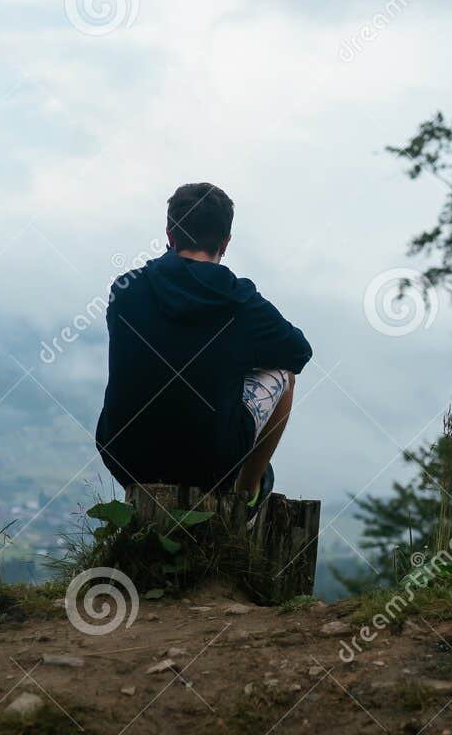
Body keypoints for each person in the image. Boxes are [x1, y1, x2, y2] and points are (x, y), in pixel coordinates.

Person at [96, 182, 312, 508]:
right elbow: (299, 353)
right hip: (208, 465)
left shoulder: (125, 289)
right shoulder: (240, 302)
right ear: (225, 242)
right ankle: (246, 493)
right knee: (283, 374)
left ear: (169, 235)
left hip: (124, 455)